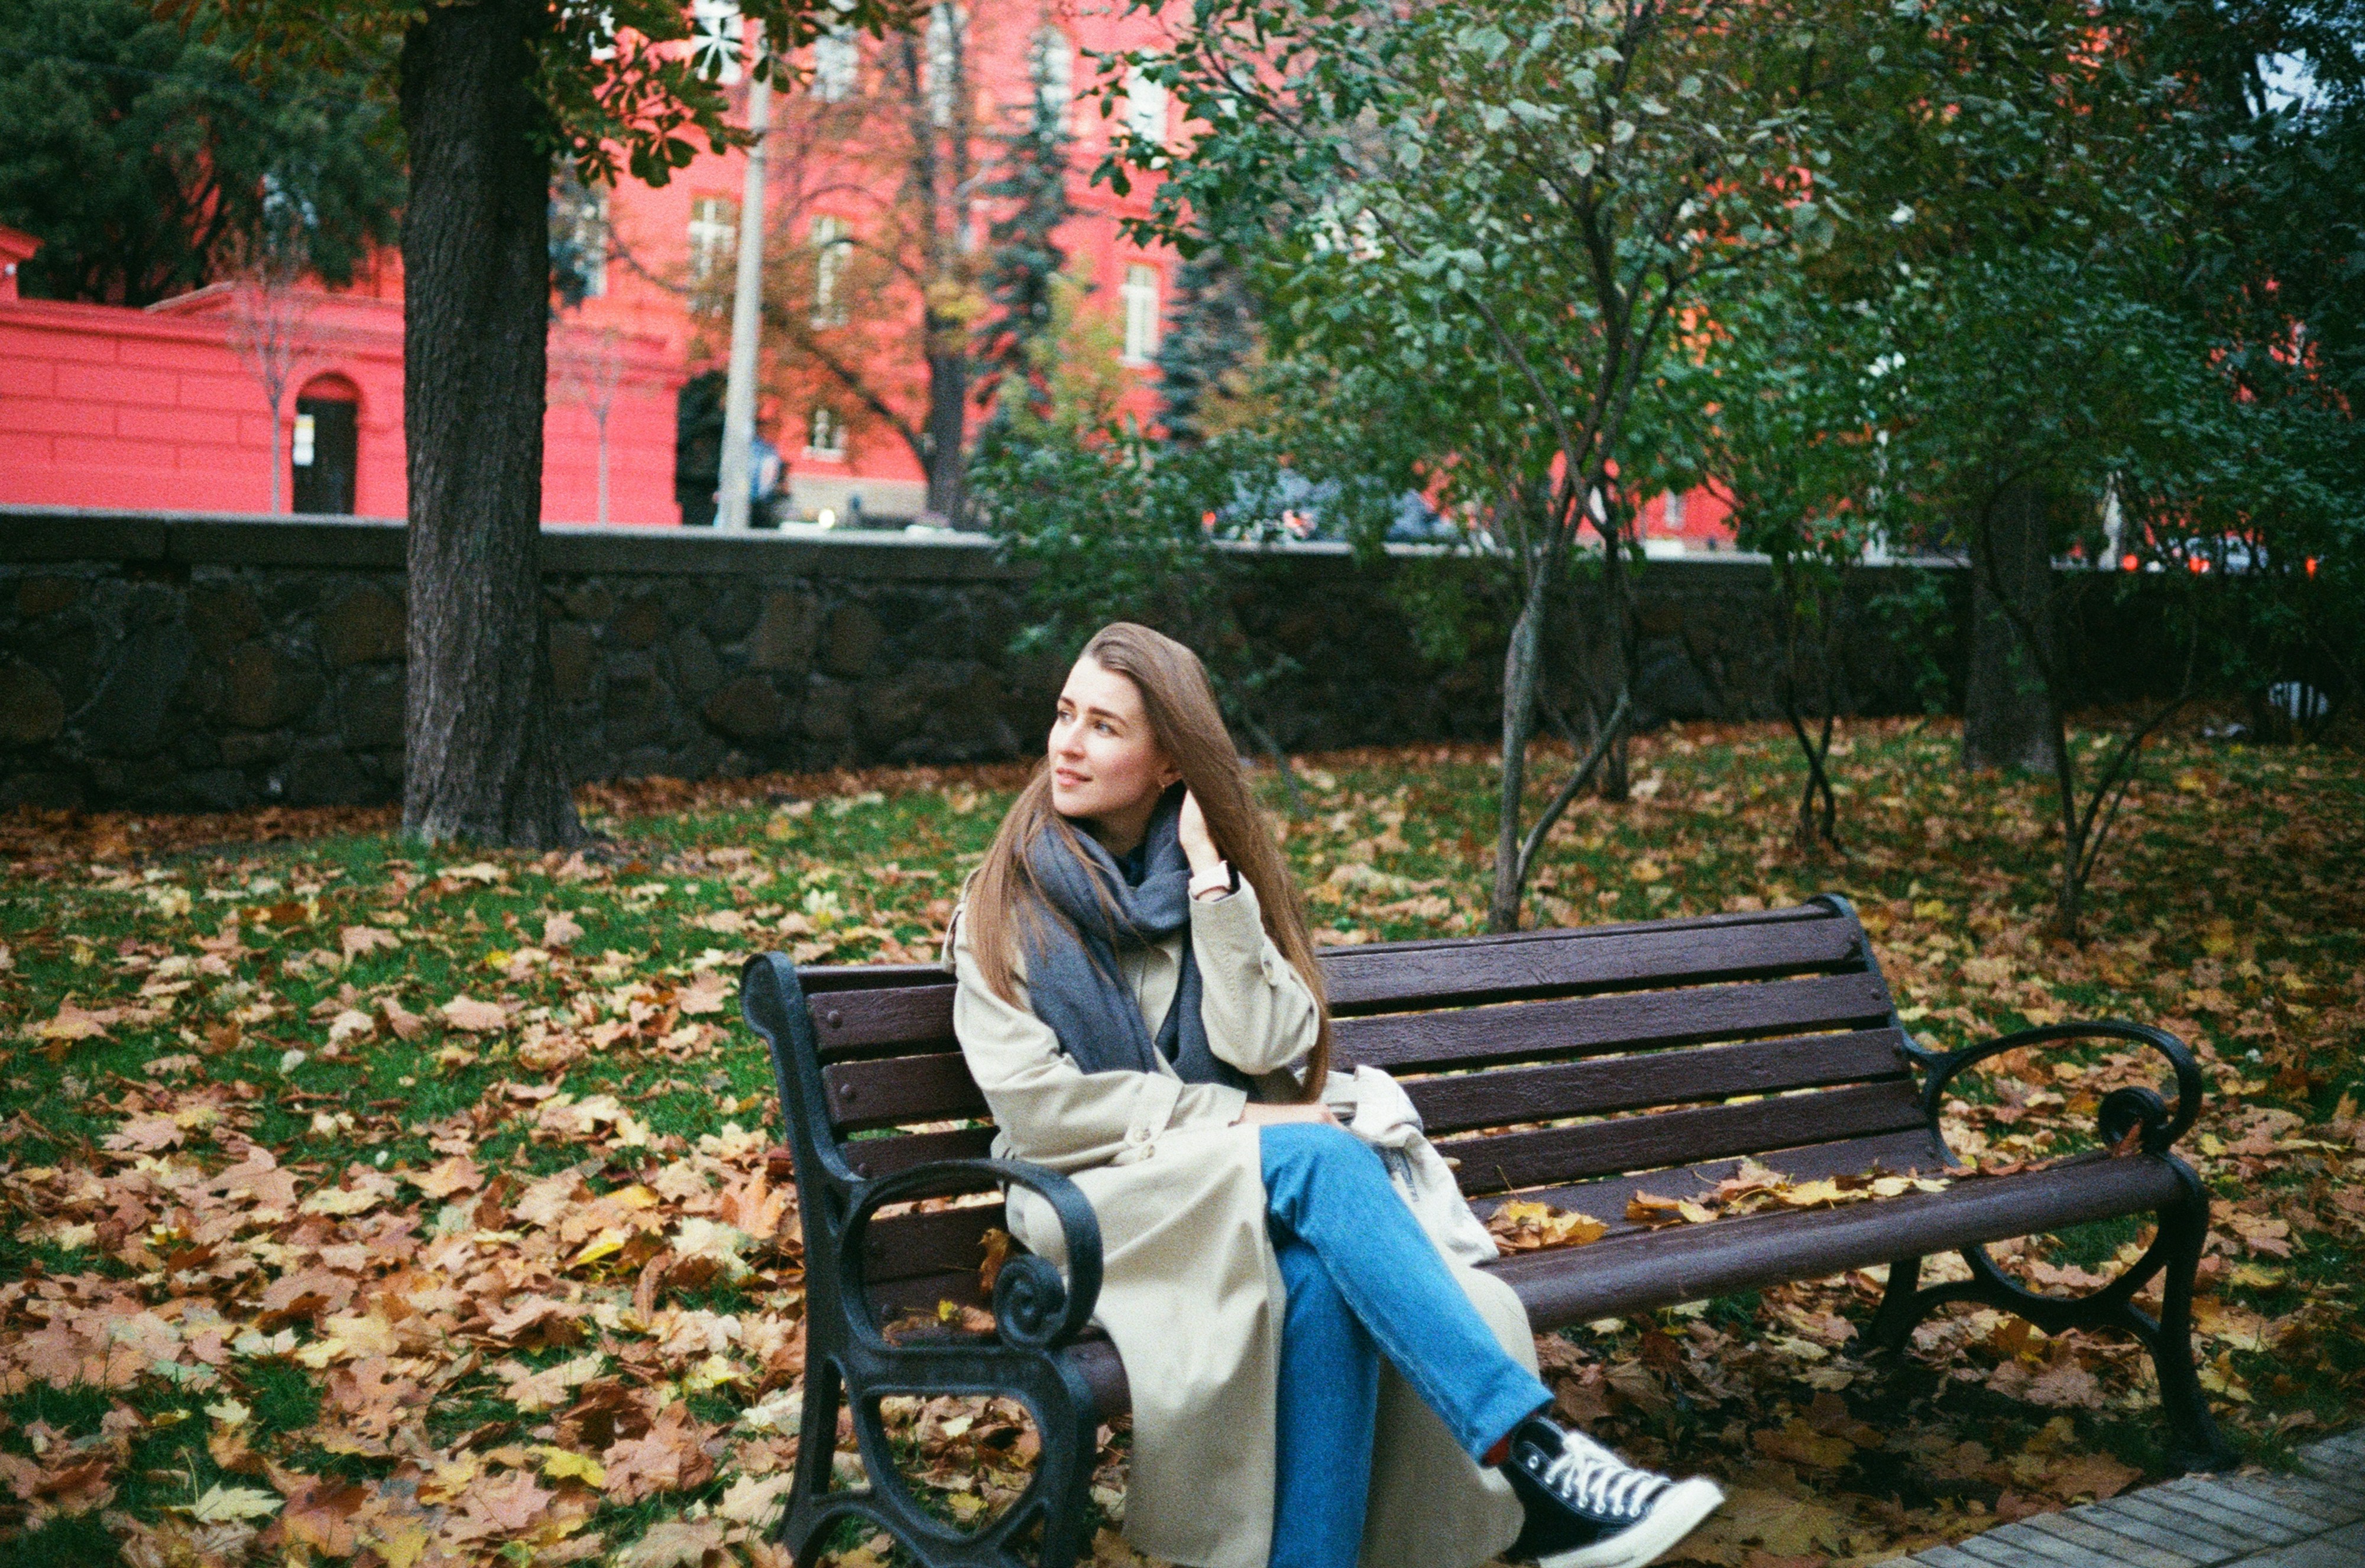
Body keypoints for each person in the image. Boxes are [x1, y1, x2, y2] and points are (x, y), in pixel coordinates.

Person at [947, 623, 1724, 1568]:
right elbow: (1039, 1110)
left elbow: (1268, 1043)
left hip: (1222, 1194)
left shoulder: (1207, 888)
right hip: (1093, 1203)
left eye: (1104, 727)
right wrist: (1241, 1117)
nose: (1067, 745)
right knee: (1317, 1154)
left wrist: (1212, 890)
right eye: (1066, 715)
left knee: (1320, 1281)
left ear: (1170, 764)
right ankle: (1536, 1460)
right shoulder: (1003, 904)